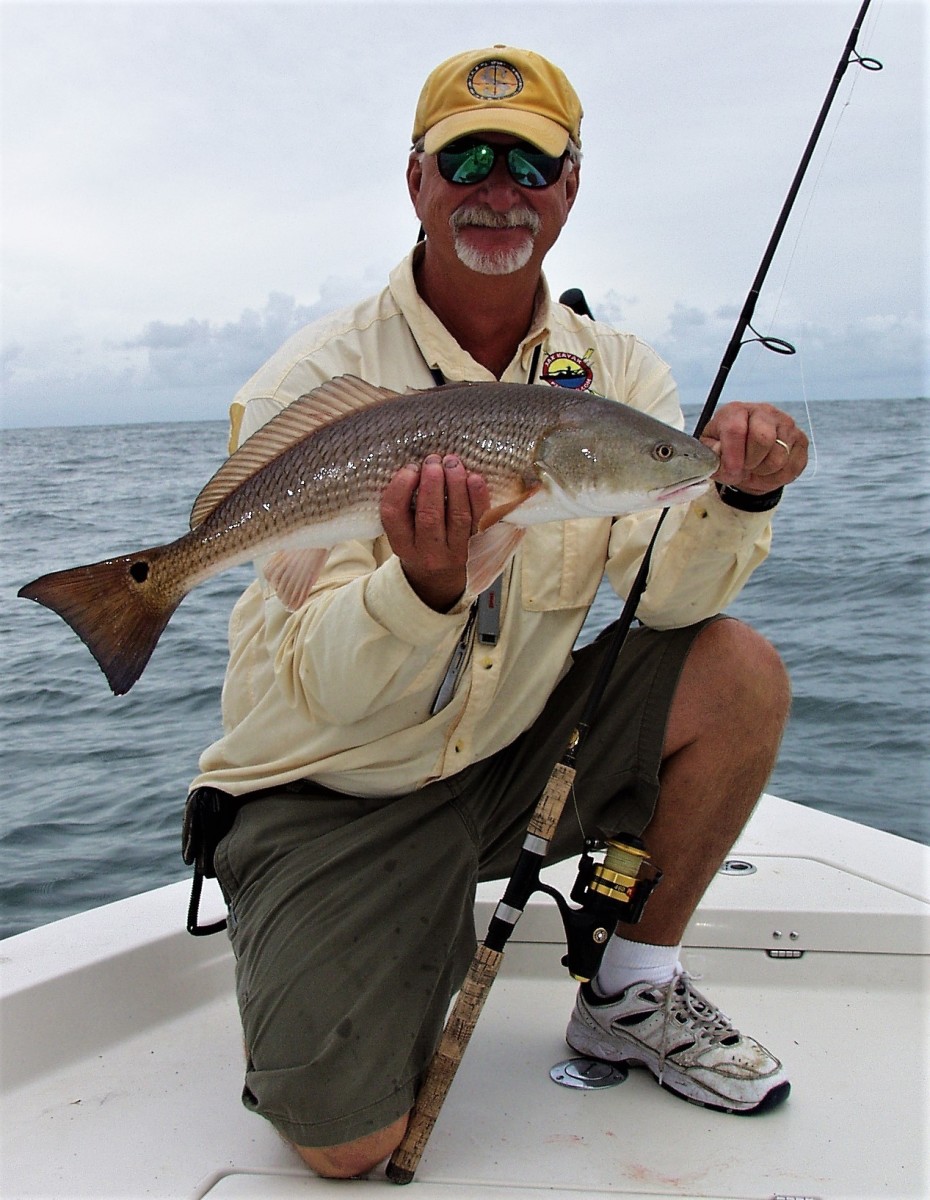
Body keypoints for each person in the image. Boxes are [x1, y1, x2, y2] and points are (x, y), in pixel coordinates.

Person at [191, 45, 808, 1179]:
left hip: (508, 762)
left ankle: (628, 992)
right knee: (346, 1148)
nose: (499, 189)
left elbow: (663, 594)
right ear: (417, 179)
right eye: (467, 157)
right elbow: (318, 684)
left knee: (735, 669)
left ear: (570, 189)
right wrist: (423, 587)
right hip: (329, 786)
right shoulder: (316, 375)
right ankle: (349, 918)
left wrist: (730, 492)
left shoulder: (612, 376)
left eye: (531, 164)